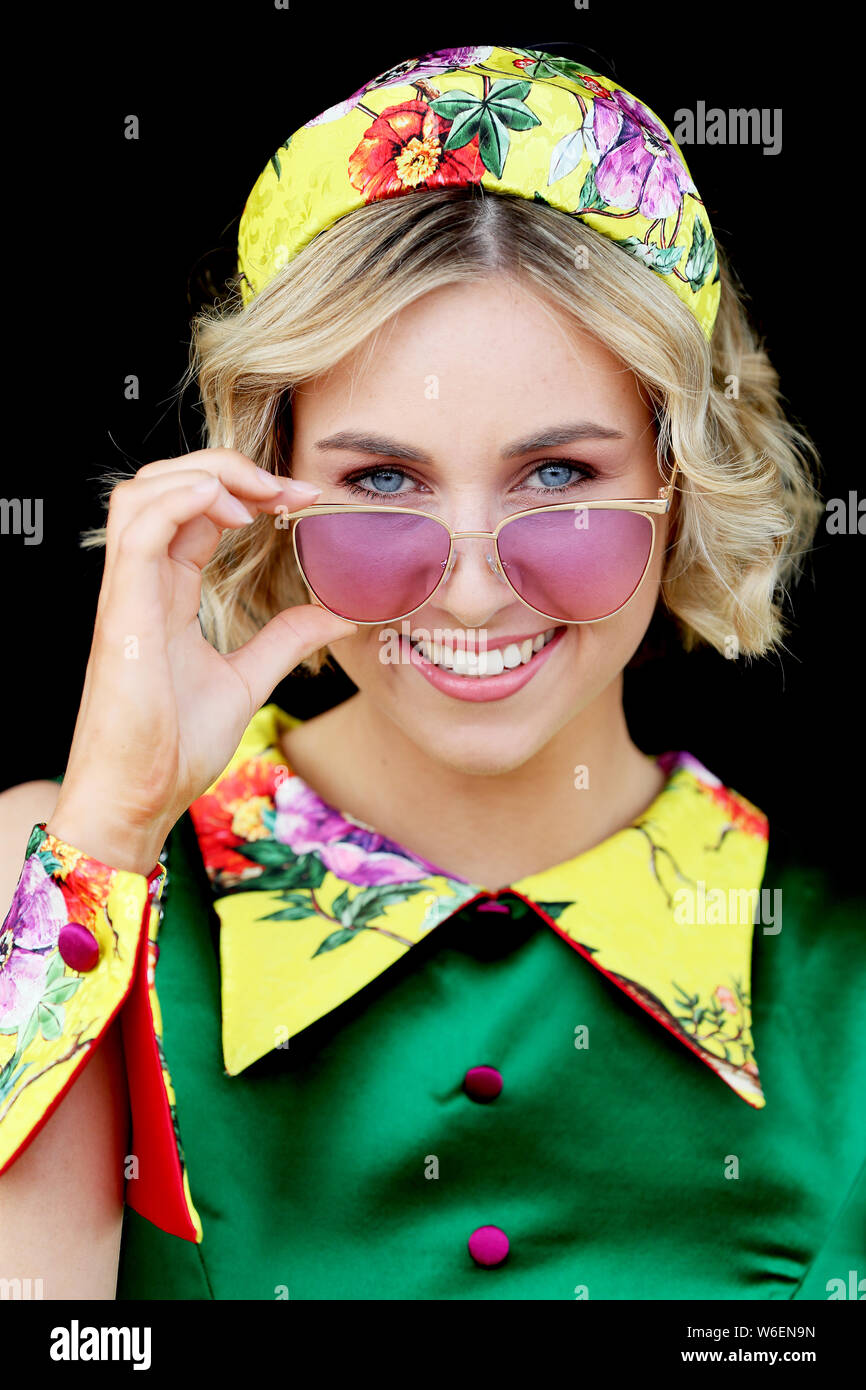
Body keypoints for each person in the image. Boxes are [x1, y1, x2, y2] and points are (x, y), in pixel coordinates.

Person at [1, 43, 863, 1302]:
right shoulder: (58, 882)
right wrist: (110, 835)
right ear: (266, 486)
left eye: (558, 477)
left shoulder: (837, 969)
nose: (469, 586)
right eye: (383, 482)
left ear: (675, 490)